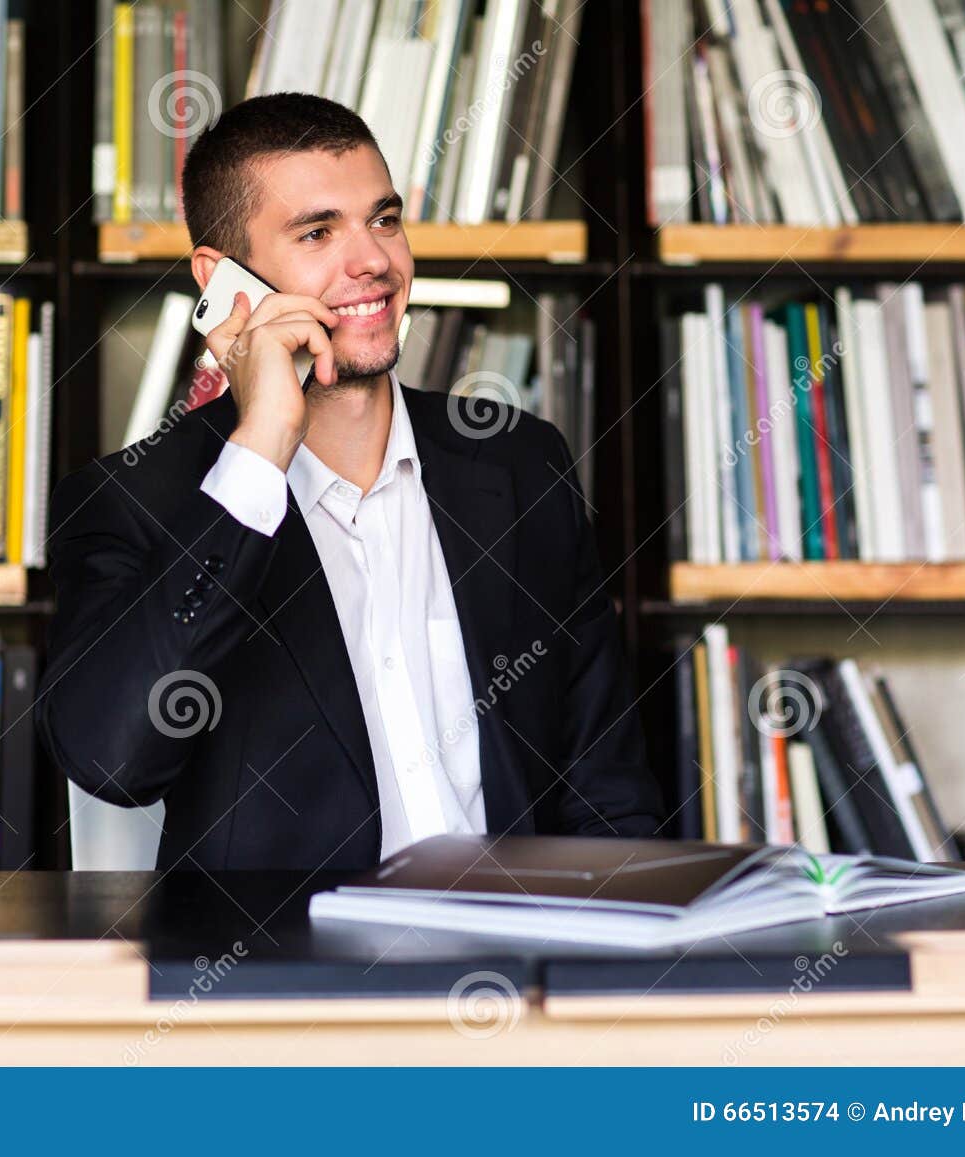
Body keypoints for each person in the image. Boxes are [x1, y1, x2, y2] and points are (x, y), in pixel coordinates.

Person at [35, 93, 663, 871]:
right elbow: (114, 762)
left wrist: (608, 967)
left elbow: (607, 786)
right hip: (291, 982)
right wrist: (263, 438)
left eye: (385, 220)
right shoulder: (133, 502)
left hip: (513, 961)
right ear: (222, 279)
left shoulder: (520, 463)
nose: (372, 261)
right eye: (318, 232)